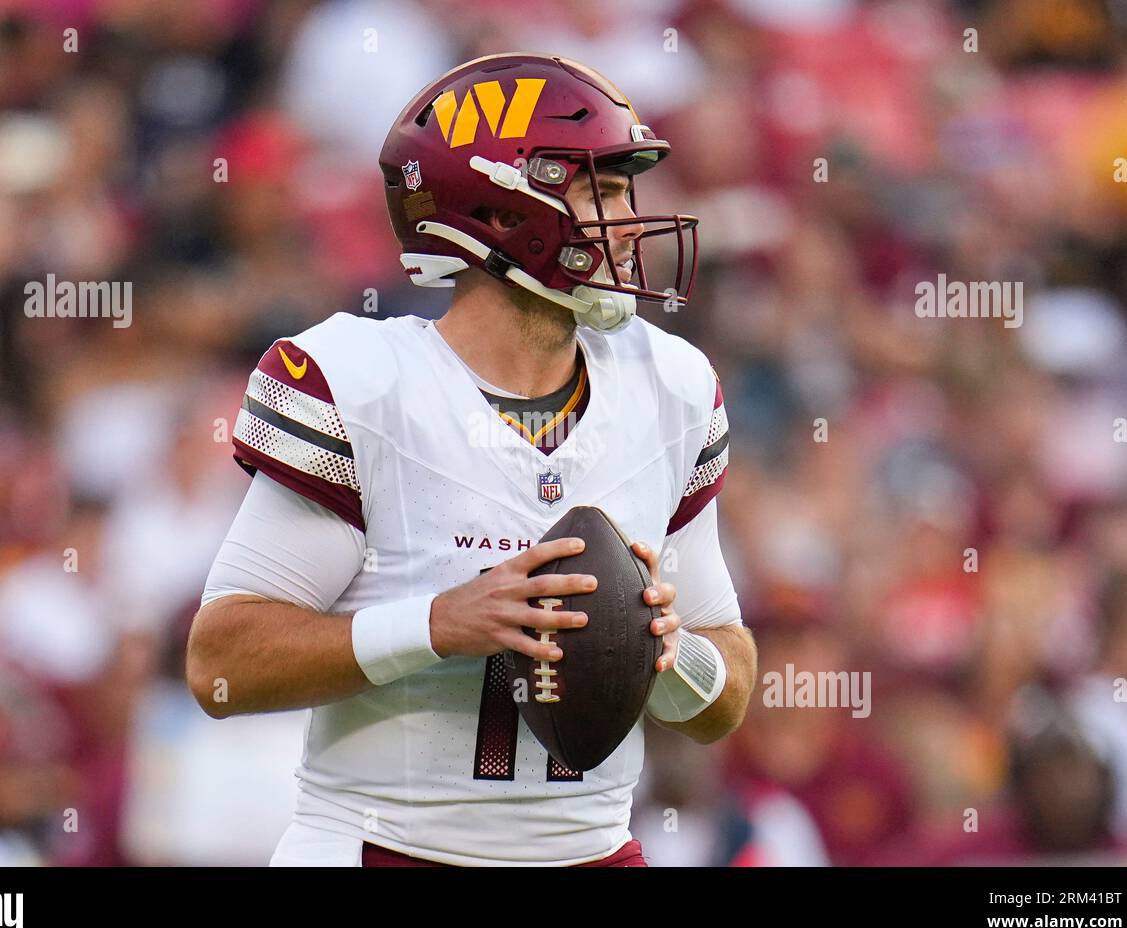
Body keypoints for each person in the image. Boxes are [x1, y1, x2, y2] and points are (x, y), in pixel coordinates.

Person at [187, 53, 757, 867]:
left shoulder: (669, 388)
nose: (627, 220)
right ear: (499, 205)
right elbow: (220, 666)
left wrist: (669, 652)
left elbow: (724, 702)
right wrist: (436, 625)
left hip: (593, 851)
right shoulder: (364, 385)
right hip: (387, 847)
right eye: (599, 189)